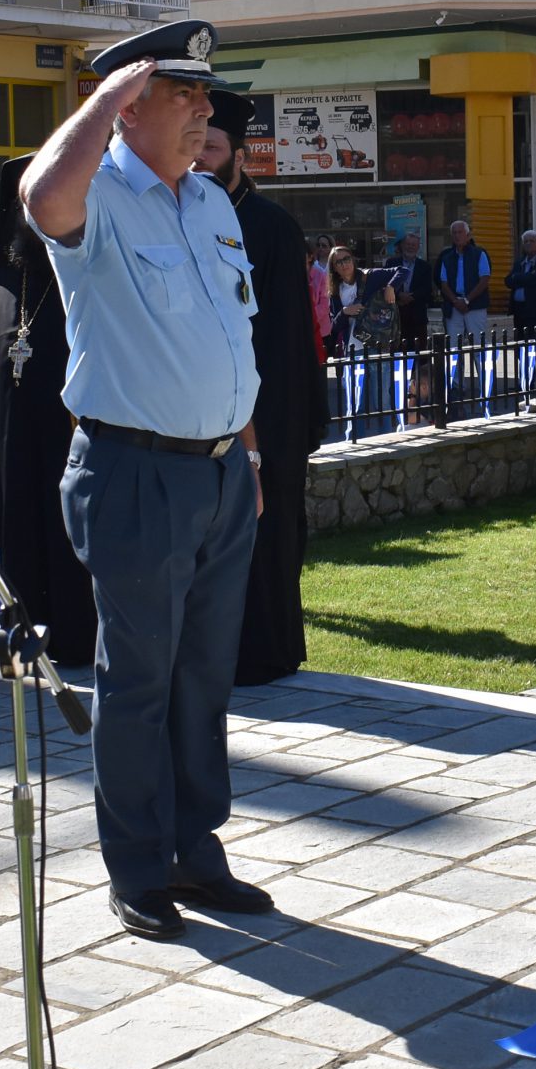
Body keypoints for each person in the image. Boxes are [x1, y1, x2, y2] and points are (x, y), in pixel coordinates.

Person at [20, 19, 270, 942]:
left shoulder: (210, 203)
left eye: (206, 95)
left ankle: (195, 849)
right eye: (182, 93)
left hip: (219, 474)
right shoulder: (98, 196)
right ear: (128, 108)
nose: (205, 110)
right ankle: (137, 866)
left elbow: (233, 338)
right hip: (134, 471)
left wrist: (248, 455)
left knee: (203, 678)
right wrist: (103, 97)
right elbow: (42, 196)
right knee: (138, 681)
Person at [202, 88, 328, 686]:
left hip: (266, 411)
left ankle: (263, 653)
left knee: (266, 533)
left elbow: (288, 338)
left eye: (211, 147)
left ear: (240, 155)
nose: (198, 157)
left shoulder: (271, 226)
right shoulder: (178, 214)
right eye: (193, 144)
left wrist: (272, 425)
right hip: (200, 409)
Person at [0, 154, 97, 666]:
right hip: (14, 448)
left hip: (74, 444)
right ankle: (26, 637)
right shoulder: (1, 285)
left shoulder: (85, 274)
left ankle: (82, 640)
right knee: (23, 539)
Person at [436, 220, 491, 341]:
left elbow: (484, 280)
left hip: (475, 304)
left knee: (478, 341)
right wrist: (456, 301)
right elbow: (444, 284)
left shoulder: (479, 254)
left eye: (460, 232)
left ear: (468, 235)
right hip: (454, 305)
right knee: (453, 343)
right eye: (454, 233)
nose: (457, 235)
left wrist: (467, 300)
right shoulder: (447, 257)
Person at [388, 231, 435, 342]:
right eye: (408, 244)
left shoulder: (425, 266)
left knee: (419, 348)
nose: (410, 247)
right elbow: (386, 284)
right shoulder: (391, 263)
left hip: (417, 315)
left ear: (418, 247)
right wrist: (399, 295)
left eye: (413, 245)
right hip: (396, 313)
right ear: (402, 245)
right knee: (397, 348)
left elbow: (427, 289)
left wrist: (410, 297)